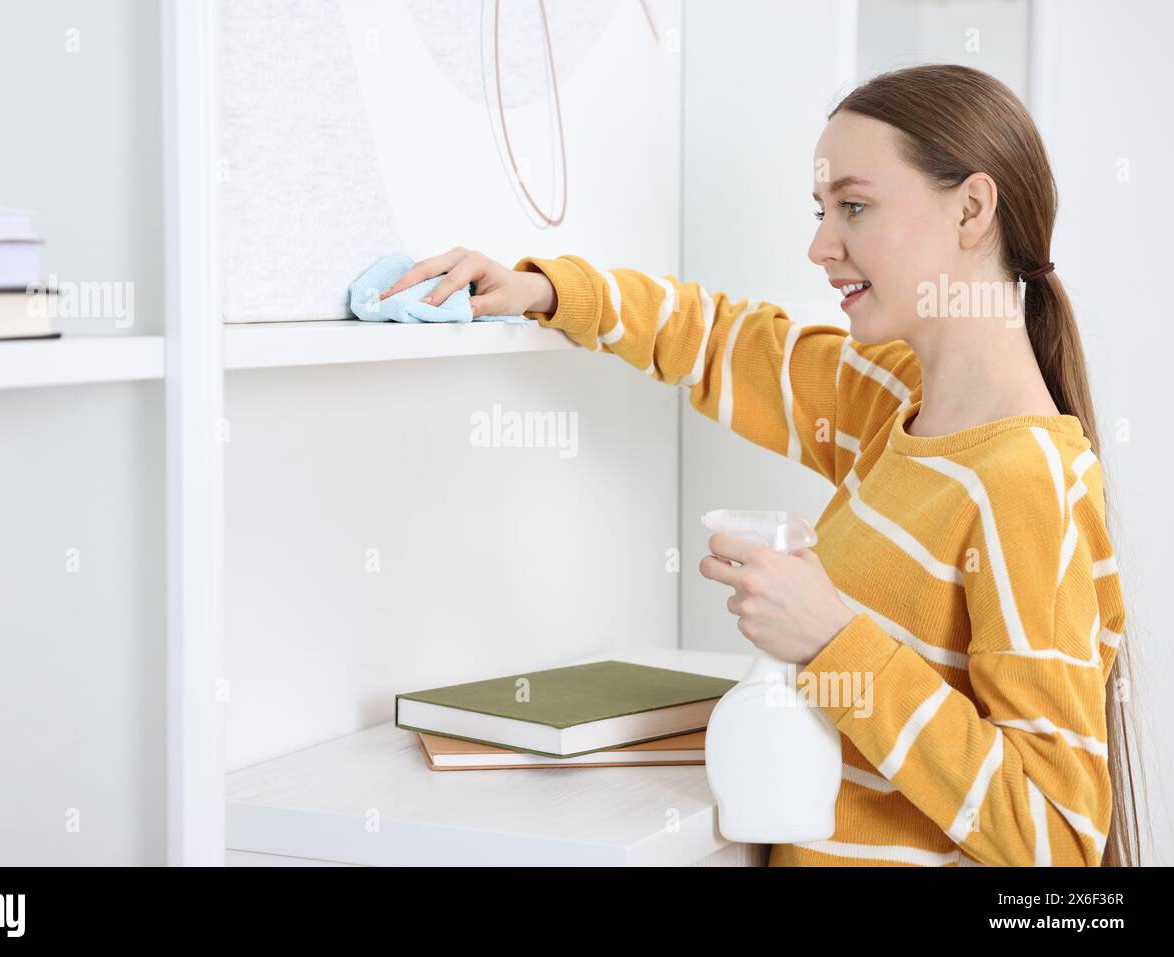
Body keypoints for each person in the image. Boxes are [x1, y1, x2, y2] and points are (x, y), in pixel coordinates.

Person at [377, 64, 1142, 867]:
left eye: (855, 206)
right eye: (821, 211)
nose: (820, 245)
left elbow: (1058, 840)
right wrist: (547, 292)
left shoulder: (1027, 482)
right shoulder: (893, 405)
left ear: (972, 210)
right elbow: (722, 341)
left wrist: (832, 639)